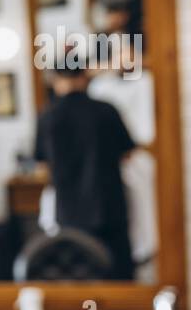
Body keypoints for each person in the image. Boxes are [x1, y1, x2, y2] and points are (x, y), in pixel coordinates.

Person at [34, 60, 137, 279]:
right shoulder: (106, 111)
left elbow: (42, 164)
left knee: (79, 274)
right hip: (109, 205)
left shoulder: (47, 117)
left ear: (56, 81)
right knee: (118, 274)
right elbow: (128, 153)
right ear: (84, 77)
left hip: (70, 210)